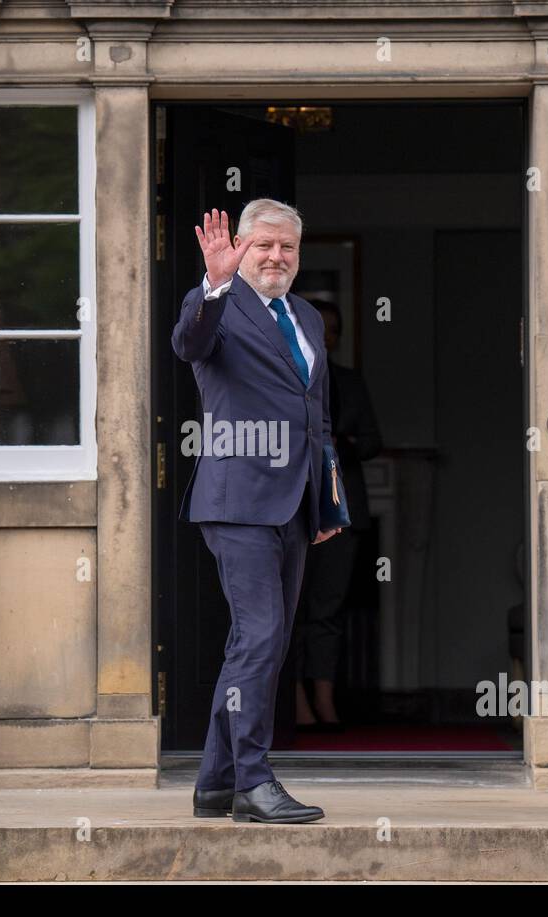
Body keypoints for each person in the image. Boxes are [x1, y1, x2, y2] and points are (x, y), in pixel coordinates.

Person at [172, 200, 340, 824]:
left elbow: (316, 415)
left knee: (259, 641)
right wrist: (213, 283)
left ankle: (216, 785)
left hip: (295, 503)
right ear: (239, 247)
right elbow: (188, 342)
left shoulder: (306, 318)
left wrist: (327, 499)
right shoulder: (216, 305)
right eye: (263, 245)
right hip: (238, 499)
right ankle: (253, 781)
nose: (275, 257)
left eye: (287, 248)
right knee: (260, 638)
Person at [292, 300, 383, 732]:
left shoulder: (350, 381)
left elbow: (371, 441)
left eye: (333, 330)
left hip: (343, 507)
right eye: (319, 328)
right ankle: (295, 704)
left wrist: (341, 441)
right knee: (287, 608)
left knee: (328, 608)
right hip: (291, 505)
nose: (325, 336)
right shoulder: (286, 373)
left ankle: (324, 701)